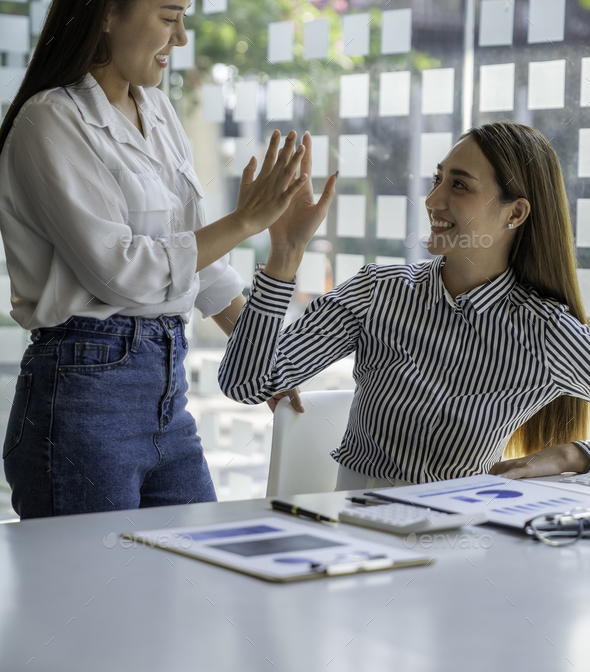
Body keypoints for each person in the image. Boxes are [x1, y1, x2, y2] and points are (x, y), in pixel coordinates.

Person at [0, 0, 336, 519]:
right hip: (82, 398)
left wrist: (268, 365)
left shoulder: (156, 113)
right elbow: (122, 273)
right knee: (99, 603)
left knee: (187, 577)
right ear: (107, 10)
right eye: (169, 18)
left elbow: (199, 269)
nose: (180, 40)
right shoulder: (49, 121)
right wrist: (244, 221)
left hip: (166, 393)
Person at [219, 121, 590, 490]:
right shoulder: (378, 292)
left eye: (459, 185)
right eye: (437, 179)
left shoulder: (543, 330)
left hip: (461, 535)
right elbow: (246, 383)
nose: (432, 200)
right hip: (357, 533)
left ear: (515, 213)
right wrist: (286, 252)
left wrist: (575, 454)